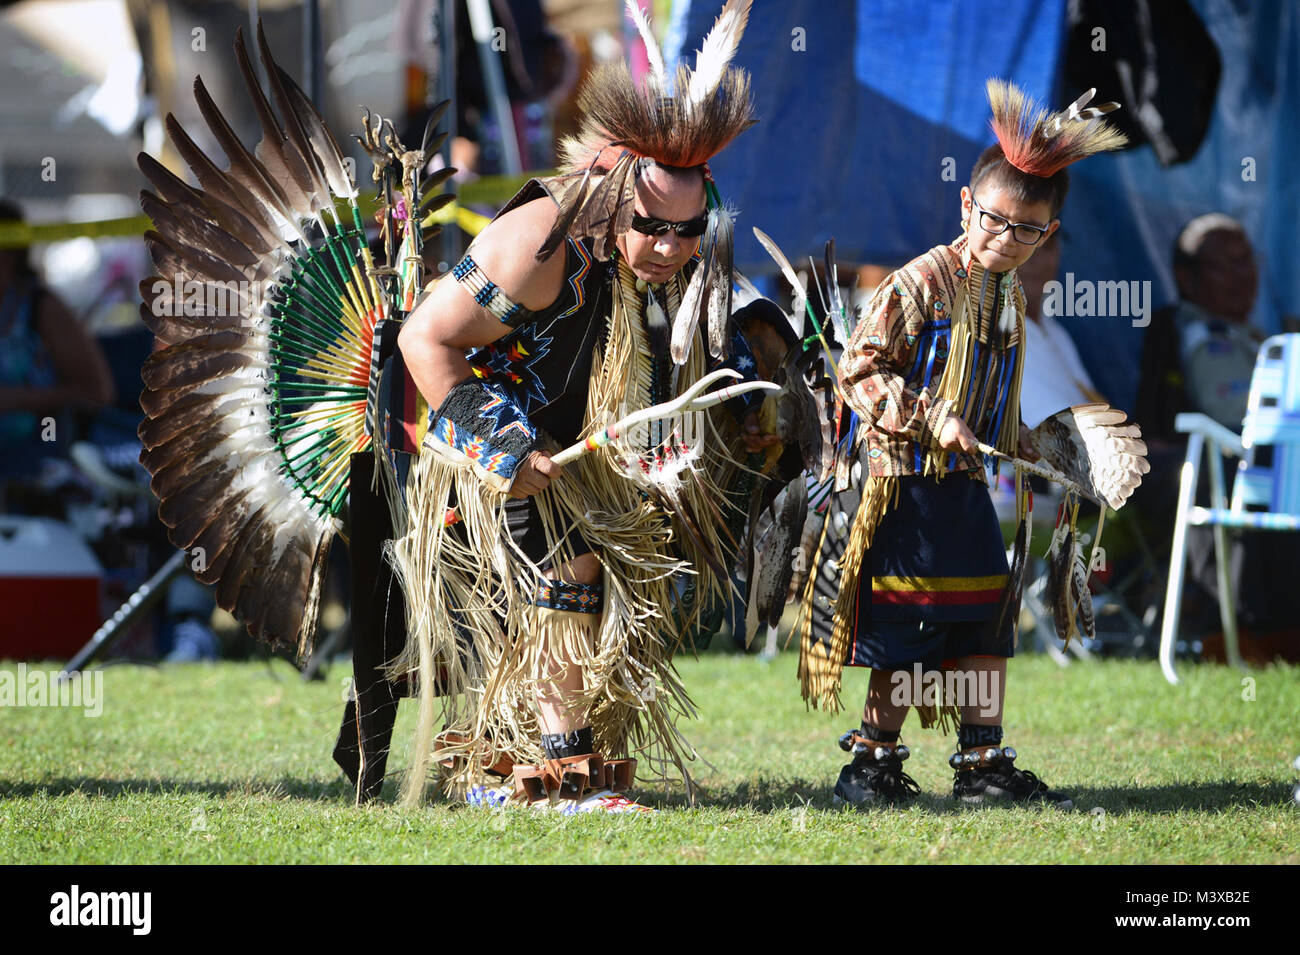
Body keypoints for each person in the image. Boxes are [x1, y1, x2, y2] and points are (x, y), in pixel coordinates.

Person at [392, 0, 771, 812]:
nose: (670, 247)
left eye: (688, 230)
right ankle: (562, 771)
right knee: (571, 562)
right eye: (653, 228)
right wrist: (500, 445)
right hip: (479, 443)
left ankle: (509, 753)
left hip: (570, 450)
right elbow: (424, 341)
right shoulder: (539, 243)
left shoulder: (668, 256)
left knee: (606, 563)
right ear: (615, 197)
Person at [795, 80, 1127, 809]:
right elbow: (857, 368)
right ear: (965, 207)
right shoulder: (920, 282)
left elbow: (995, 403)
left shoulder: (1007, 295)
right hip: (904, 483)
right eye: (994, 220)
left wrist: (1047, 448)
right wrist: (929, 417)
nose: (1005, 239)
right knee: (909, 624)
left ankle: (982, 765)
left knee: (983, 616)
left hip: (965, 483)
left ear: (1048, 234)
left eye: (1027, 231)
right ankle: (872, 765)